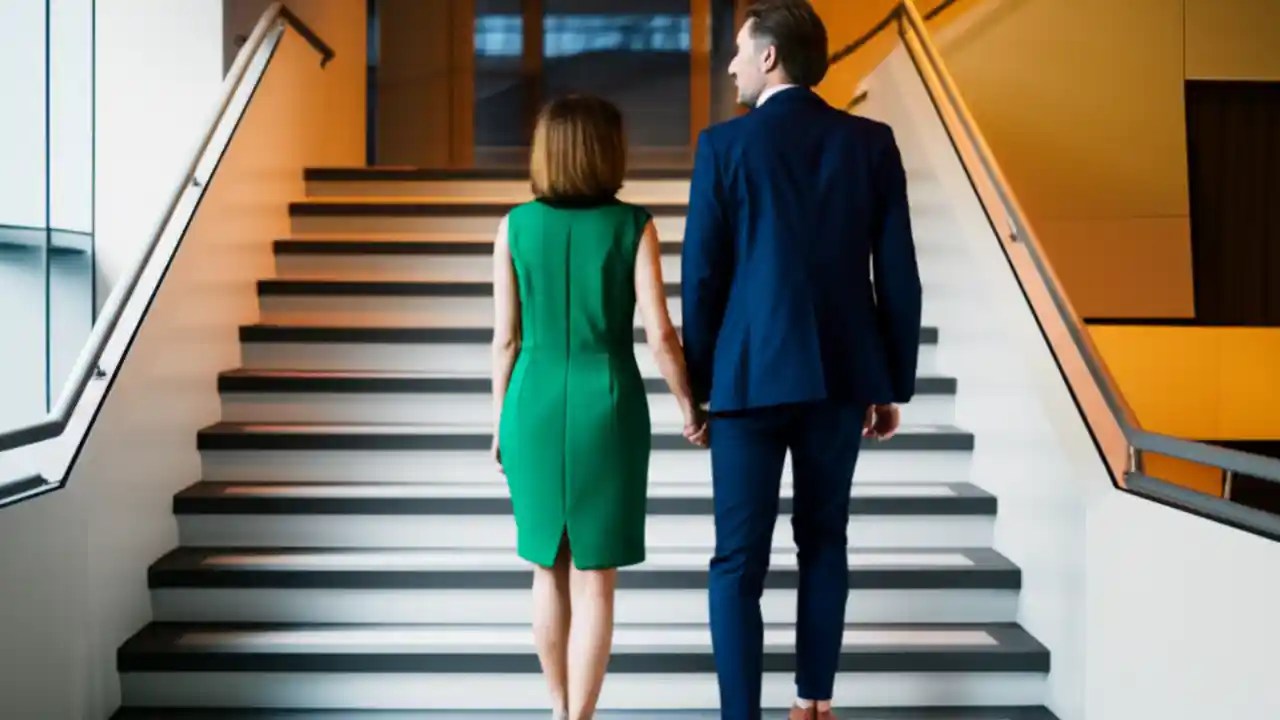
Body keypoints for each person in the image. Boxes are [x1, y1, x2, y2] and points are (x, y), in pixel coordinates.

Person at [681, 1, 923, 718]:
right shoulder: (871, 142)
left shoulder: (723, 148)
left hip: (748, 381)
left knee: (736, 561)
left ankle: (740, 716)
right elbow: (899, 274)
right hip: (841, 377)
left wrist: (699, 388)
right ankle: (814, 702)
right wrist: (890, 382)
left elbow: (702, 278)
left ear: (769, 57)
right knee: (824, 540)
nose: (728, 64)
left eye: (737, 50)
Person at [491, 95, 707, 720]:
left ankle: (556, 708)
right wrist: (689, 404)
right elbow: (661, 335)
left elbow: (506, 338)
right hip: (606, 404)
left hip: (531, 401)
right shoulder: (634, 225)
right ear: (608, 150)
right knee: (596, 574)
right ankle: (580, 718)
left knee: (545, 566)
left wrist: (498, 422)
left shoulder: (514, 226)